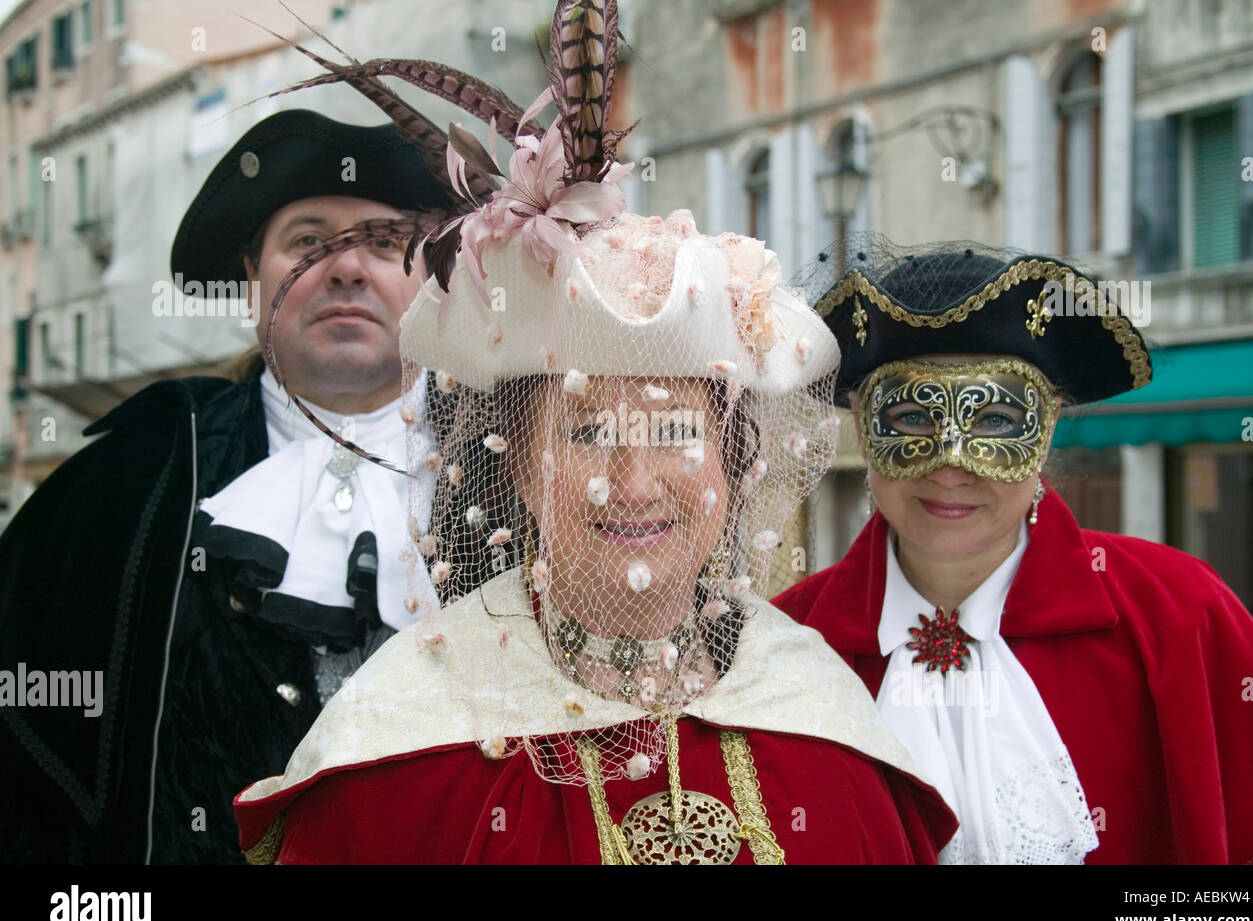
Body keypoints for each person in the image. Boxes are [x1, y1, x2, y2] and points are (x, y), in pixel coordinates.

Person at [232, 5, 957, 864]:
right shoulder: (400, 743)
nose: (637, 481)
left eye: (680, 430)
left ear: (734, 467)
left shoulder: (820, 714)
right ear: (521, 466)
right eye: (585, 433)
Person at [0, 108, 461, 863]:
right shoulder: (138, 472)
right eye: (308, 242)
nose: (346, 267)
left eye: (384, 241)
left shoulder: (519, 469)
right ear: (253, 278)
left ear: (431, 274)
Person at [773, 235, 1253, 864]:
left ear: (1046, 425)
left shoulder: (1178, 613)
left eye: (996, 421)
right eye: (911, 417)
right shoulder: (788, 650)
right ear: (862, 420)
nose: (950, 466)